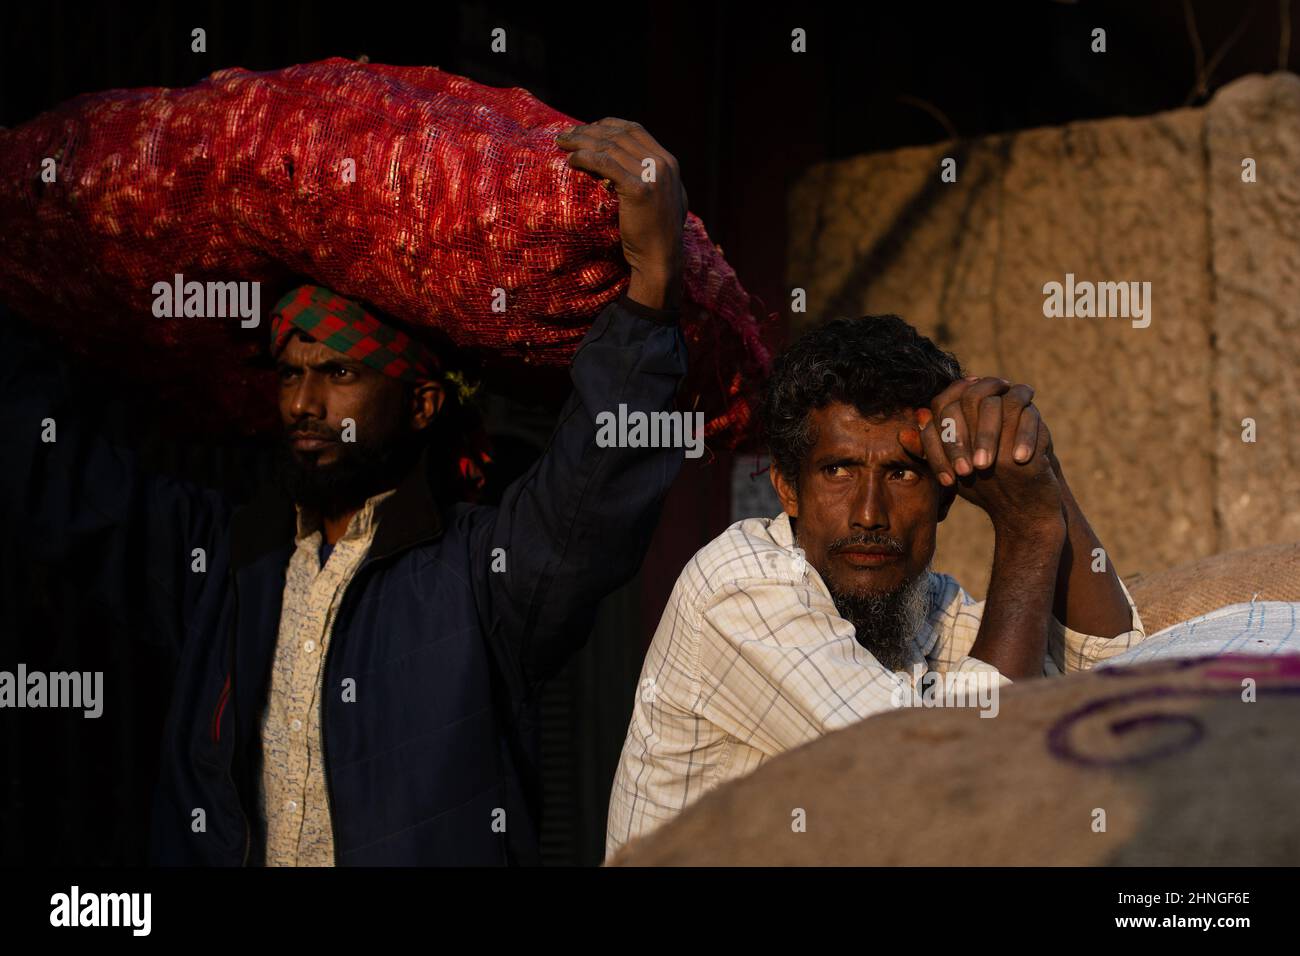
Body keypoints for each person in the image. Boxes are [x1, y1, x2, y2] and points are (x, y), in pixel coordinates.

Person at [1, 118, 691, 866]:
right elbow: (58, 480)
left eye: (339, 374)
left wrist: (649, 286)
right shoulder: (224, 565)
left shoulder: (479, 574)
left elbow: (591, 495)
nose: (304, 404)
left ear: (421, 405)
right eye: (292, 374)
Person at [605, 314, 1148, 856]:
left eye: (902, 474)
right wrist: (1028, 533)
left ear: (945, 495)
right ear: (788, 491)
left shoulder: (928, 607)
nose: (869, 514)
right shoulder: (740, 588)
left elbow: (1117, 681)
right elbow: (947, 788)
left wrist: (1039, 471)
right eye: (838, 471)